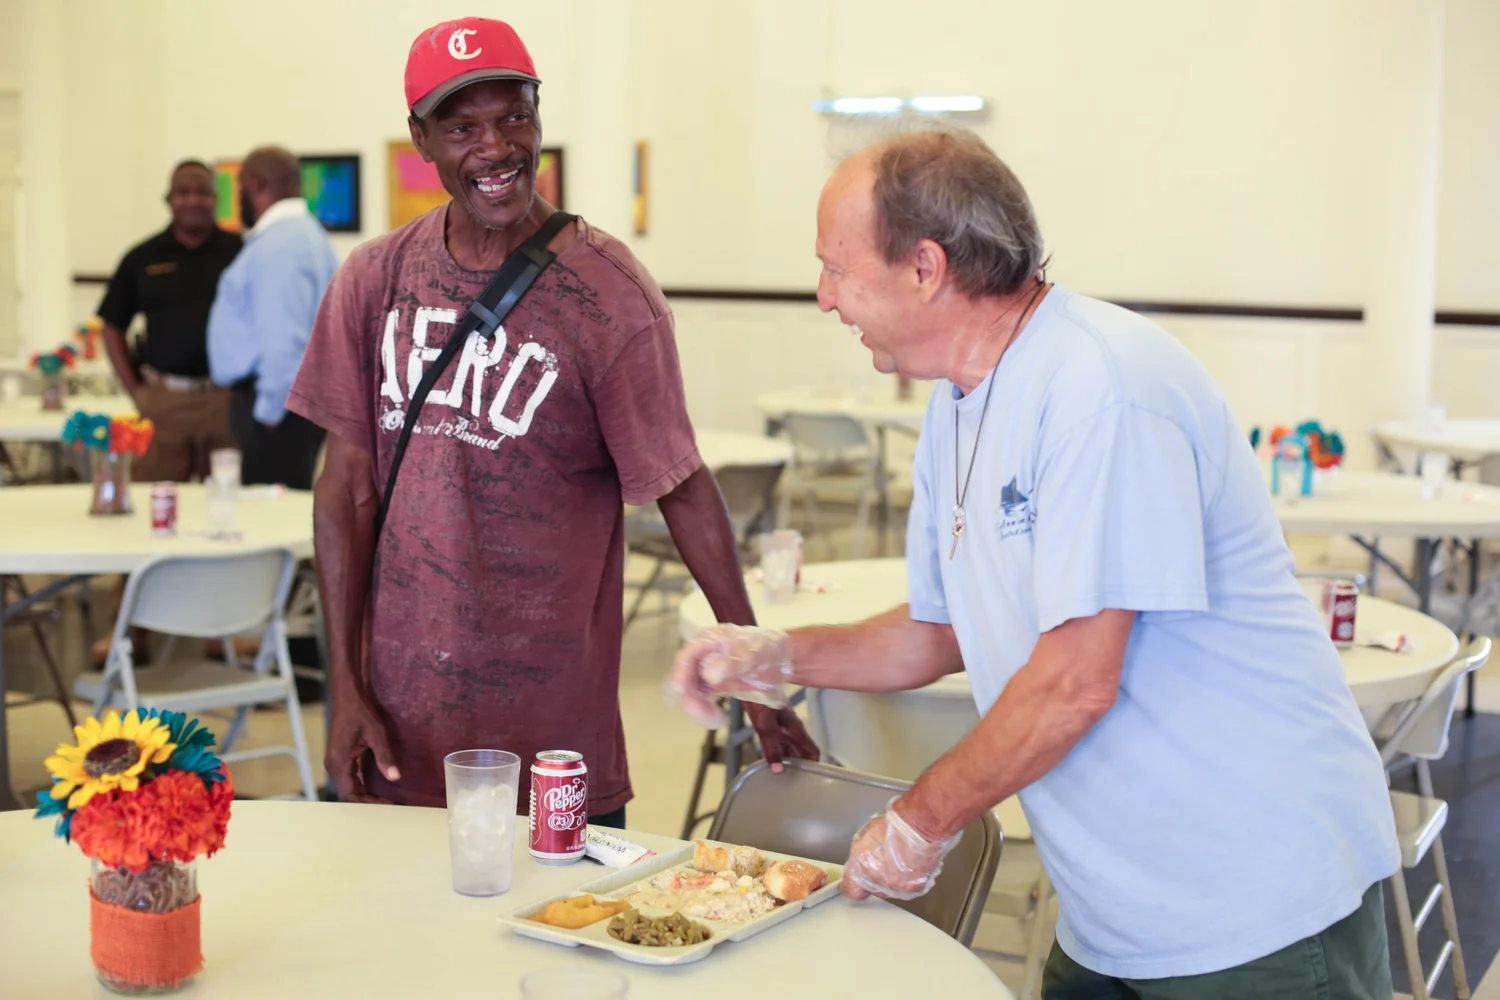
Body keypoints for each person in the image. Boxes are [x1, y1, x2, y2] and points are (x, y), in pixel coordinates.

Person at [673, 129, 1399, 999]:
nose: (824, 297)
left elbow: (1074, 681)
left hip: (1250, 897)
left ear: (925, 267)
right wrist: (775, 655)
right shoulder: (958, 399)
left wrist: (919, 820)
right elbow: (938, 629)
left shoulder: (1103, 385)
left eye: (836, 267)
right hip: (1117, 911)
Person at [287, 17, 816, 823]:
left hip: (551, 745)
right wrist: (346, 689)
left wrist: (752, 667)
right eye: (463, 127)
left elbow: (680, 485)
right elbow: (344, 488)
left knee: (551, 942)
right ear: (420, 140)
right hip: (395, 728)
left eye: (514, 118)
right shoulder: (373, 278)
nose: (496, 148)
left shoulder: (605, 293)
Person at [97, 160, 241, 482]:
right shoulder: (142, 257)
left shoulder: (239, 253)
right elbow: (111, 325)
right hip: (163, 402)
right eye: (183, 192)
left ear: (215, 200)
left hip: (224, 402)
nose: (193, 200)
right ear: (169, 200)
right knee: (155, 503)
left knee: (228, 504)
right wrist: (137, 391)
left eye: (202, 192)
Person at [207, 146, 339, 489]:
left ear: (255, 184)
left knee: (266, 521)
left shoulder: (280, 245)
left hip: (276, 409)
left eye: (237, 192)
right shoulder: (305, 235)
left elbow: (285, 341)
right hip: (291, 403)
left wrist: (267, 414)